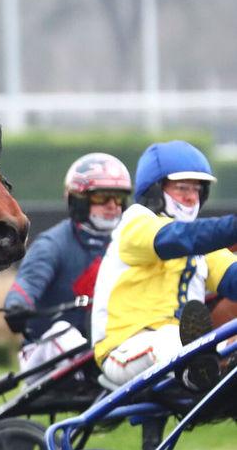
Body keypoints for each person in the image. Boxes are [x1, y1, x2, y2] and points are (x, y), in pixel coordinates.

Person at [92, 140, 237, 388]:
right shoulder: (135, 224)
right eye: (182, 188)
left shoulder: (201, 246)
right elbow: (178, 239)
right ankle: (198, 377)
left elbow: (232, 276)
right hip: (122, 348)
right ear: (156, 191)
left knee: (208, 344)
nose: (191, 198)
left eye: (197, 190)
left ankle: (205, 368)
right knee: (173, 340)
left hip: (183, 346)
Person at [3, 153, 132, 373]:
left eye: (118, 198)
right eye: (103, 198)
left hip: (105, 350)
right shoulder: (52, 244)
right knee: (64, 333)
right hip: (44, 357)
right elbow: (26, 285)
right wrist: (17, 305)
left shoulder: (132, 243)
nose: (113, 206)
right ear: (79, 200)